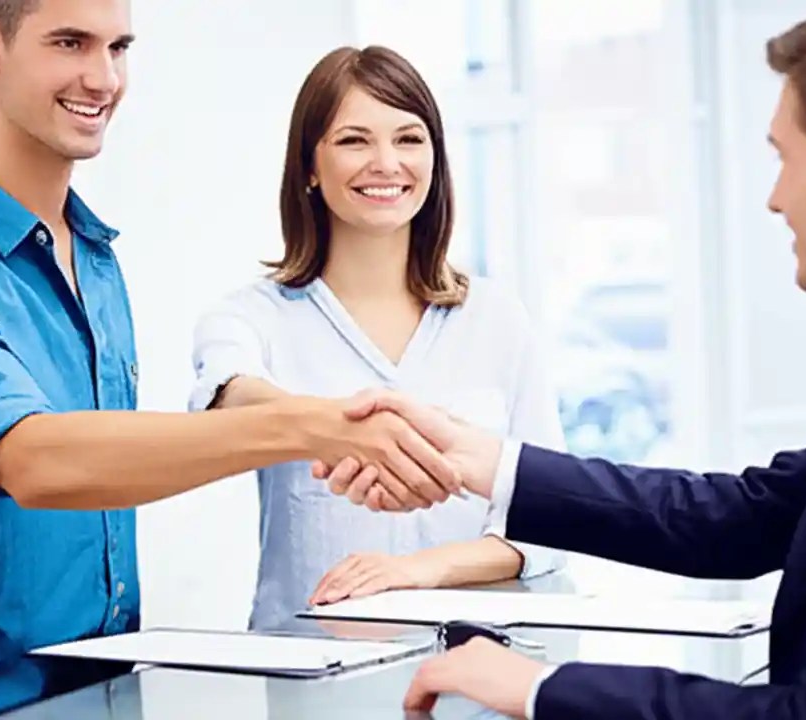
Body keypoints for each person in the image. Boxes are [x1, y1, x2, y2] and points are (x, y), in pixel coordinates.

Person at [318, 1, 806, 717]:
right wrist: (480, 460)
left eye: (785, 158)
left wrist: (539, 685)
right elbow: (744, 519)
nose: (775, 197)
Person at [0, 3, 455, 718]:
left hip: (104, 697)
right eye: (70, 43)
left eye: (118, 47)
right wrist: (312, 425)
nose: (103, 78)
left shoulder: (95, 259)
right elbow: (31, 460)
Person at [188, 45, 565, 632]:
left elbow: (549, 522)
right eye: (354, 140)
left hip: (481, 669)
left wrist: (418, 570)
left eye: (409, 139)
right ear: (310, 166)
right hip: (311, 671)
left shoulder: (496, 318)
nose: (386, 162)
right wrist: (343, 430)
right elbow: (226, 399)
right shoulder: (250, 316)